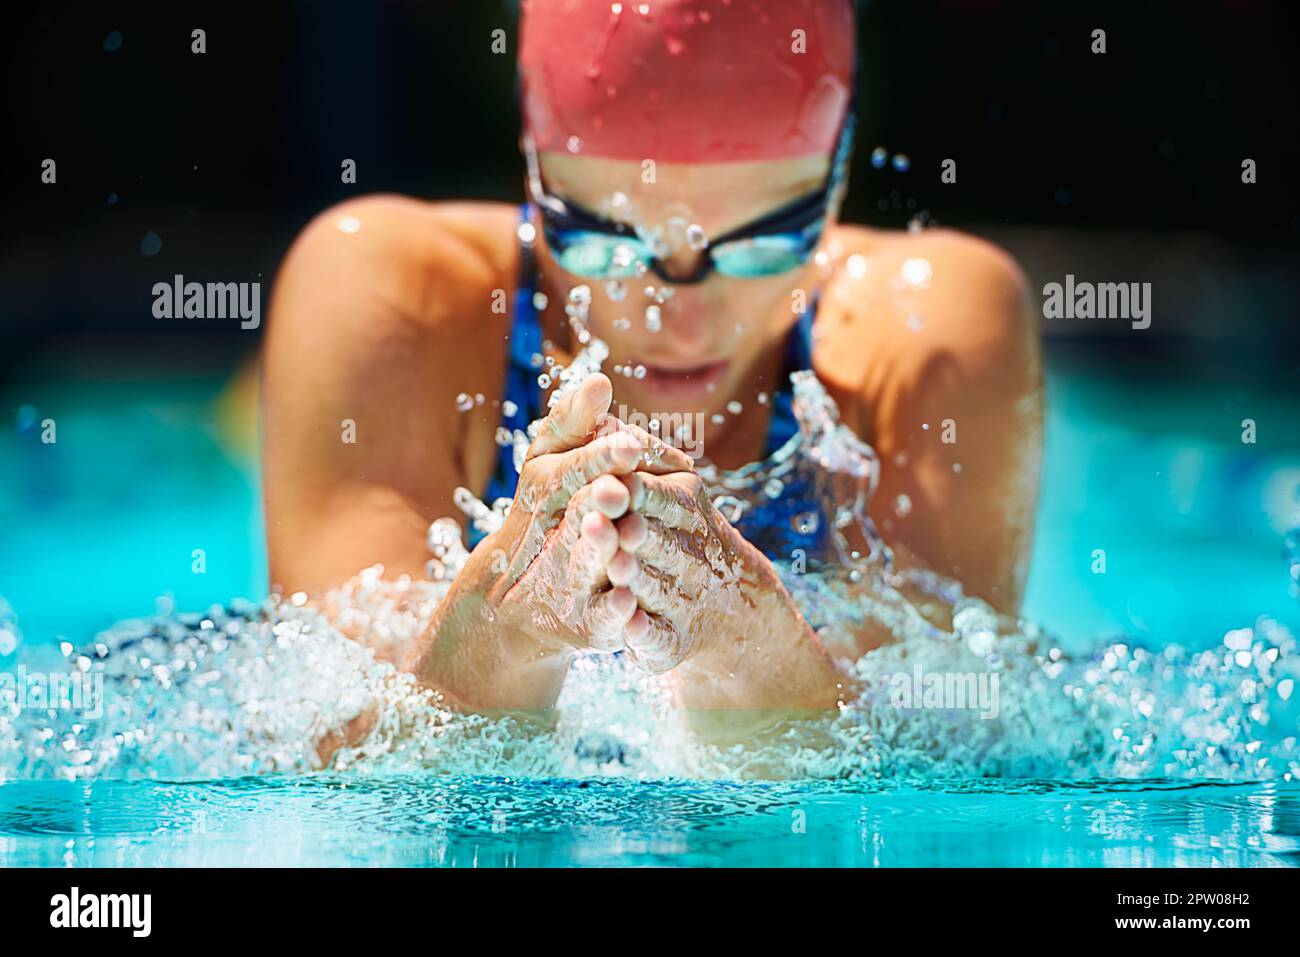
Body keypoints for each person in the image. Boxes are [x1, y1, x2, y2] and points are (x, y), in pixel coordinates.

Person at [262, 0, 1042, 738]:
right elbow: (342, 767)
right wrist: (504, 631)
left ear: (835, 185)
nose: (682, 316)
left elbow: (934, 769)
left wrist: (751, 643)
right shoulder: (393, 298)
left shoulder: (923, 332)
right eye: (609, 243)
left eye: (761, 244)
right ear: (535, 180)